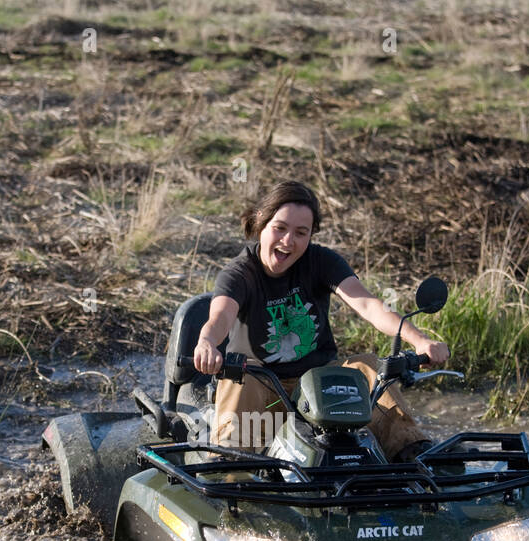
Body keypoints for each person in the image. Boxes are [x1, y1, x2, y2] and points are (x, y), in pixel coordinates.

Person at [192, 180, 450, 461]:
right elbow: (220, 316)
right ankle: (229, 466)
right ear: (260, 224)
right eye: (280, 228)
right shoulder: (239, 273)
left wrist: (420, 340)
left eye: (300, 233)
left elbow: (369, 305)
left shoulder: (321, 262)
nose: (288, 241)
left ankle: (413, 453)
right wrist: (207, 342)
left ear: (311, 235)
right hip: (264, 392)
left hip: (319, 391)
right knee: (243, 377)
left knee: (366, 366)